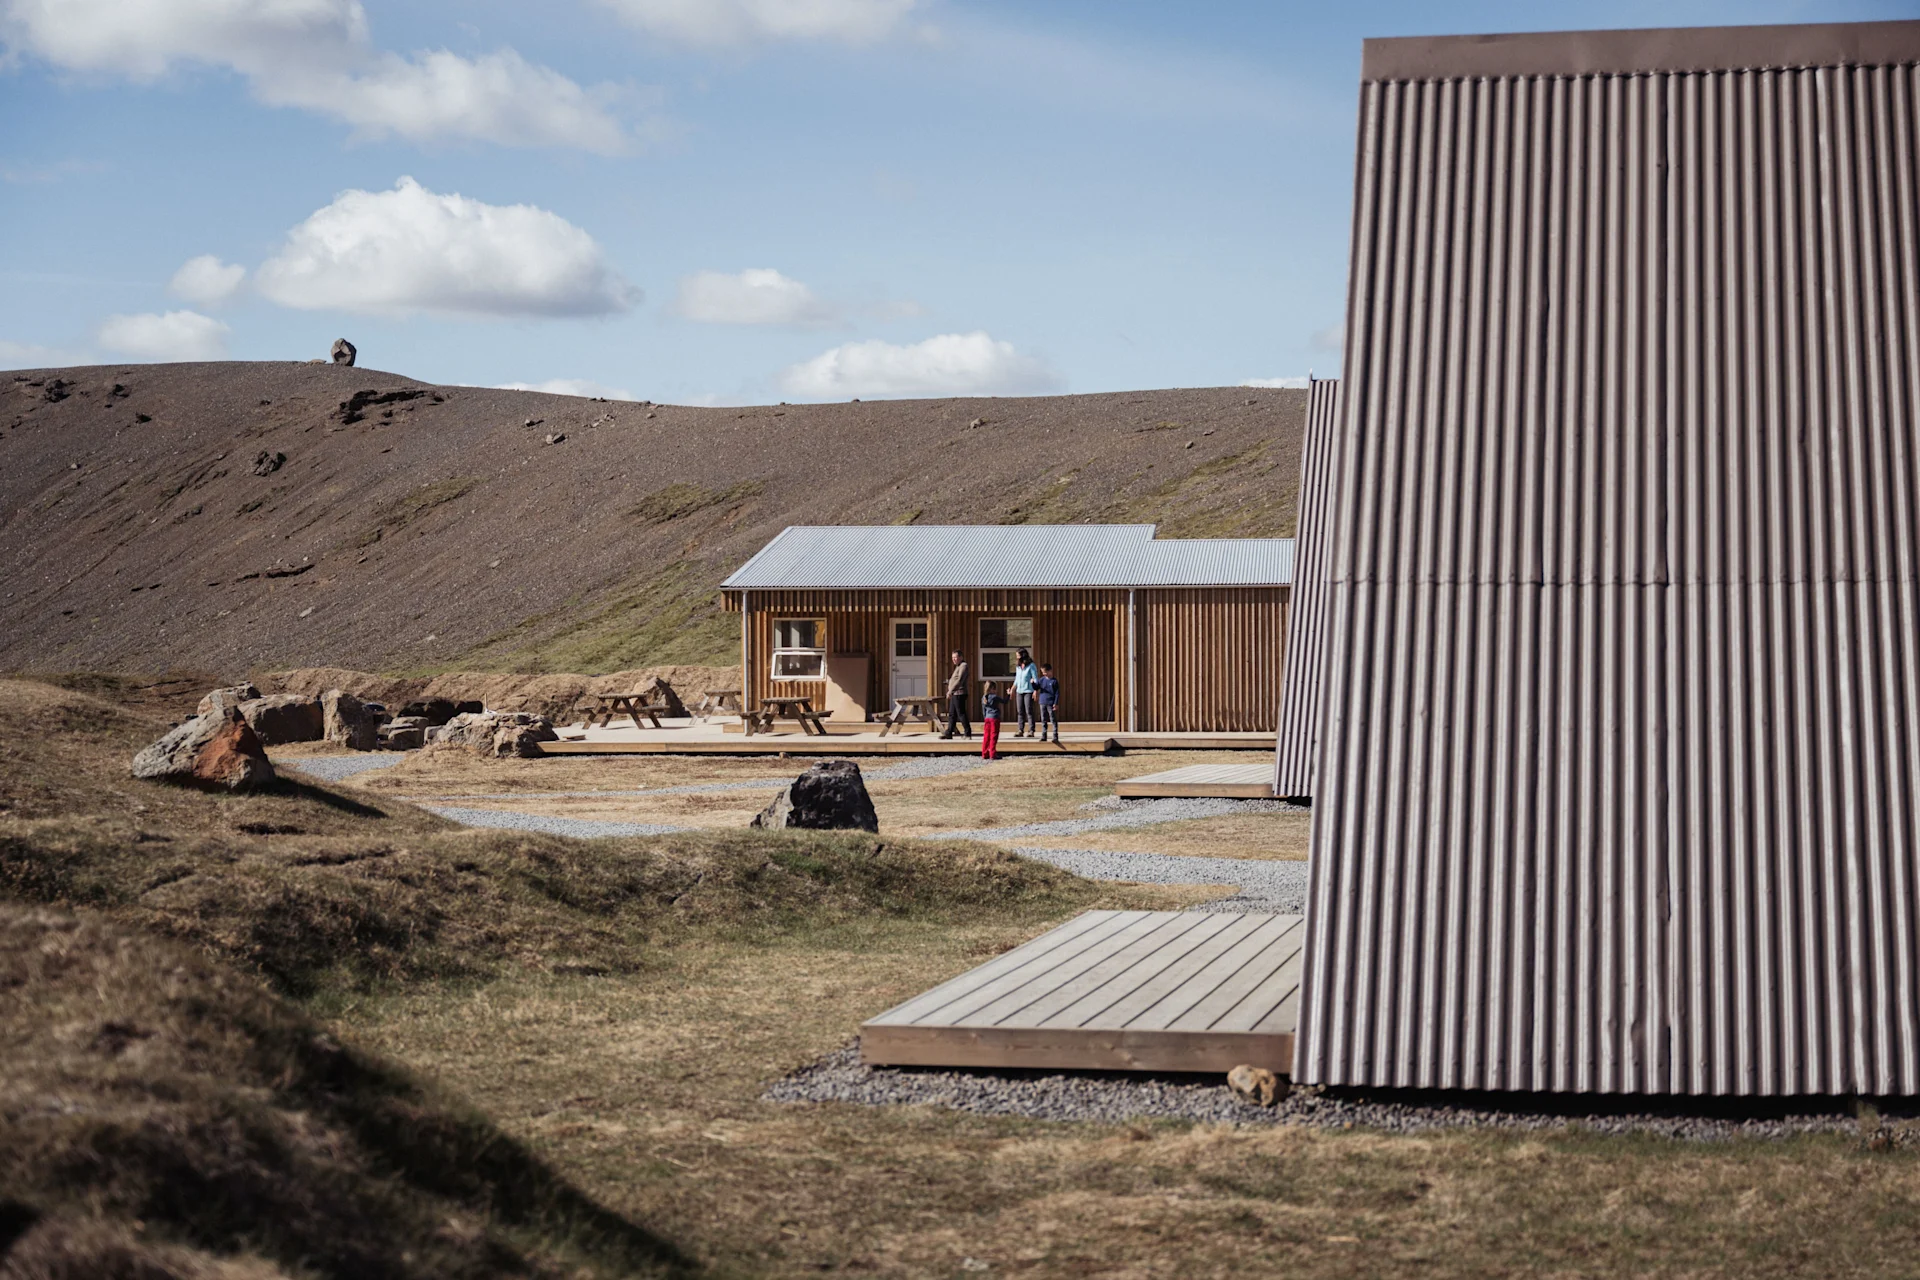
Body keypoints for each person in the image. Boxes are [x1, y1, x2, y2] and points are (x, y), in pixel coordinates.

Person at [940, 649, 971, 739]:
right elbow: (955, 679)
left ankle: (967, 733)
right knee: (952, 714)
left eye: (956, 657)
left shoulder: (963, 666)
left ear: (961, 657)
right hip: (955, 693)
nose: (954, 659)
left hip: (959, 693)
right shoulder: (958, 666)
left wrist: (951, 691)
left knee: (961, 713)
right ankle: (949, 733)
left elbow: (960, 680)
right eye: (953, 658)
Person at [1011, 652, 1039, 737]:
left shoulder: (1031, 665)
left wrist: (1035, 690)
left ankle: (1031, 730)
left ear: (1023, 655)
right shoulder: (1018, 667)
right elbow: (1016, 679)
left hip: (1028, 690)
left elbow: (1035, 678)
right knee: (1020, 711)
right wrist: (1012, 689)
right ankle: (1020, 729)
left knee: (1029, 710)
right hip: (1019, 690)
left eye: (1018, 655)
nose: (1017, 657)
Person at [1035, 662, 1061, 744]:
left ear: (1050, 671)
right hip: (1042, 701)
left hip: (1050, 702)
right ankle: (1044, 735)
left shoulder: (1054, 681)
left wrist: (1055, 703)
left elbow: (1057, 693)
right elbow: (1036, 687)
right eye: (1043, 672)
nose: (1044, 674)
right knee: (1043, 719)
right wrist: (1032, 683)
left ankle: (1055, 735)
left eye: (1045, 672)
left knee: (1052, 718)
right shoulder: (1042, 680)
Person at [980, 681, 1004, 759]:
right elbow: (1005, 701)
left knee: (986, 736)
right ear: (992, 689)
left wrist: (985, 717)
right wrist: (1009, 694)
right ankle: (992, 753)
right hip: (994, 718)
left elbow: (983, 710)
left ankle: (984, 753)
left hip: (987, 718)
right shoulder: (994, 697)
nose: (996, 691)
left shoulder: (983, 697)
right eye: (995, 689)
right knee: (993, 736)